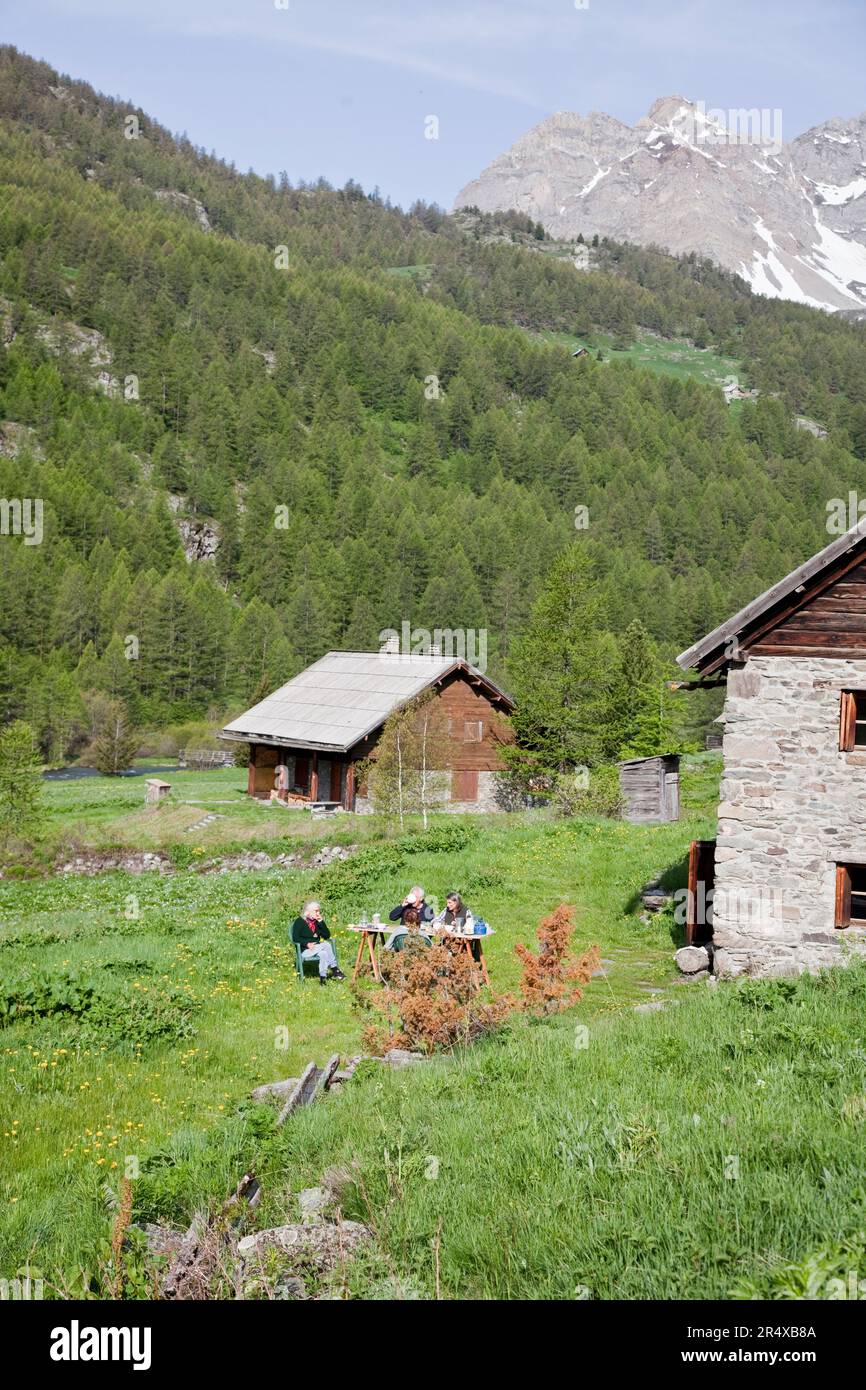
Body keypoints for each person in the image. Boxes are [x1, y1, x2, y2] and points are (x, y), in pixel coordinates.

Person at [291, 900, 344, 985]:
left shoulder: (316, 923)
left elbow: (327, 936)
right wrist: (307, 944)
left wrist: (321, 922)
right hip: (305, 951)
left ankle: (322, 979)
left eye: (319, 911)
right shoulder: (299, 921)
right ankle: (335, 969)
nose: (318, 913)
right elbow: (295, 938)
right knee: (326, 944)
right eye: (316, 911)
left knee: (323, 954)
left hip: (317, 948)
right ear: (308, 912)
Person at [433, 891, 482, 961]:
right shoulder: (446, 910)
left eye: (450, 903)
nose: (447, 905)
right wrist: (438, 925)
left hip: (461, 940)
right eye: (447, 903)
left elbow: (470, 924)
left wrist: (460, 925)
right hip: (447, 939)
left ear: (456, 902)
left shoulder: (466, 911)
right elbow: (437, 919)